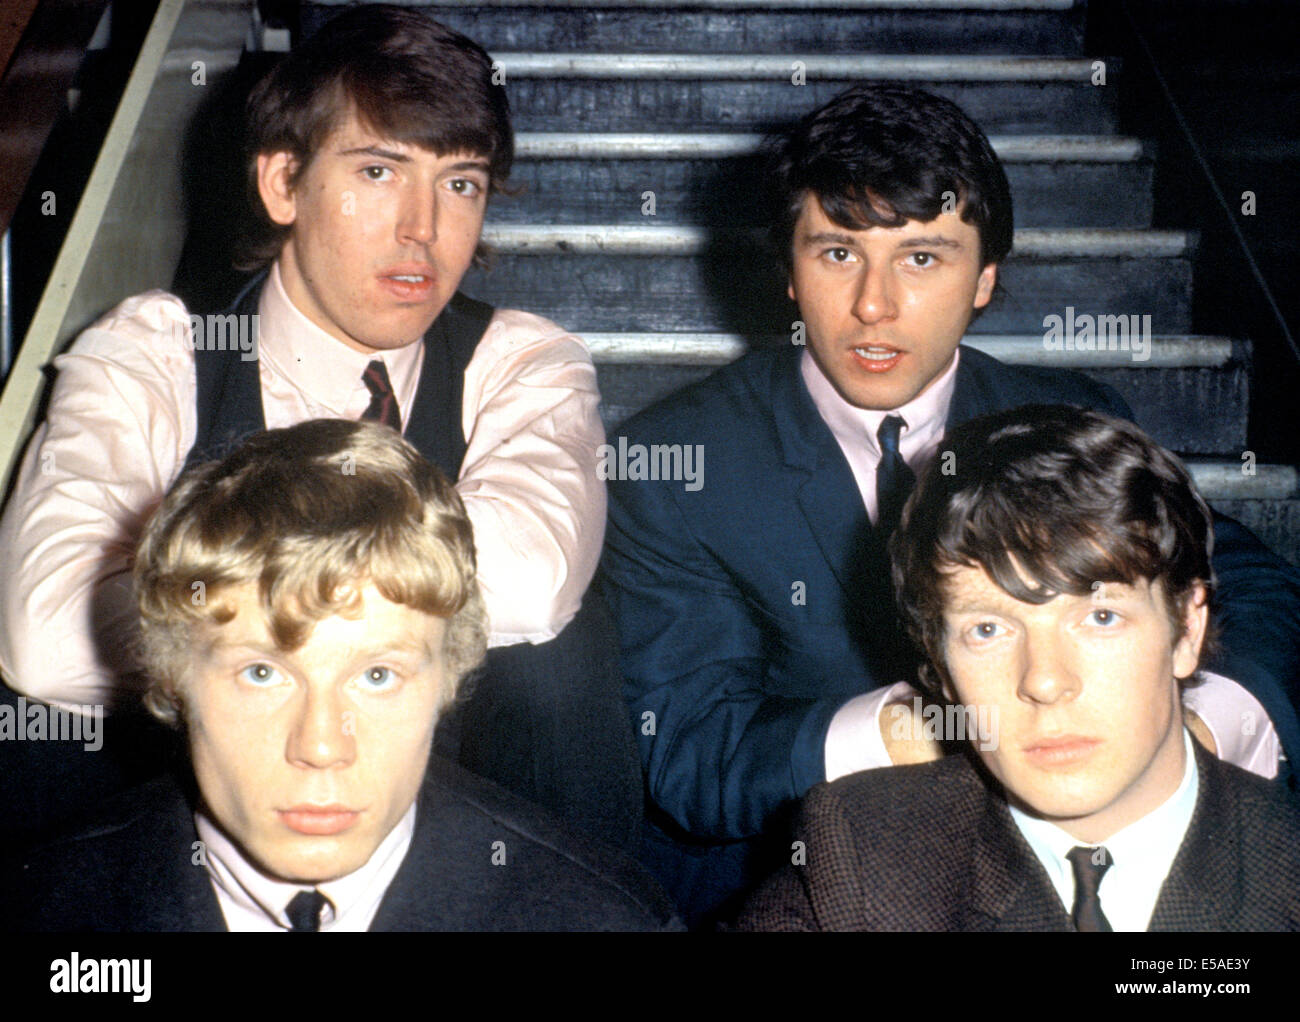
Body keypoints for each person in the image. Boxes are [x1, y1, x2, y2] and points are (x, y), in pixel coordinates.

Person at [600, 83, 1300, 924]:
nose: (874, 304)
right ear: (787, 270)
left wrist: (1213, 726)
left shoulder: (1070, 415)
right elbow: (690, 755)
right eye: (836, 252)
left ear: (985, 279)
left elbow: (1248, 584)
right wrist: (918, 732)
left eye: (922, 258)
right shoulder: (678, 463)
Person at [0, 5, 639, 849]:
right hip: (199, 809)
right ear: (283, 184)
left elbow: (534, 583)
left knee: (563, 656)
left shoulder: (519, 360)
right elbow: (48, 634)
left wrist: (220, 589)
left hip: (441, 818)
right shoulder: (155, 348)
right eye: (379, 172)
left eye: (460, 183)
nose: (423, 228)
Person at [0, 419, 678, 931]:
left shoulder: (596, 918)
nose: (322, 746)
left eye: (377, 676)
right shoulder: (44, 911)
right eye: (262, 673)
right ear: (172, 675)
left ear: (448, 676)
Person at [736, 405, 1300, 931]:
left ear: (1187, 631)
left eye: (1100, 617)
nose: (1045, 681)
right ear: (941, 667)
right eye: (988, 630)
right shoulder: (858, 860)